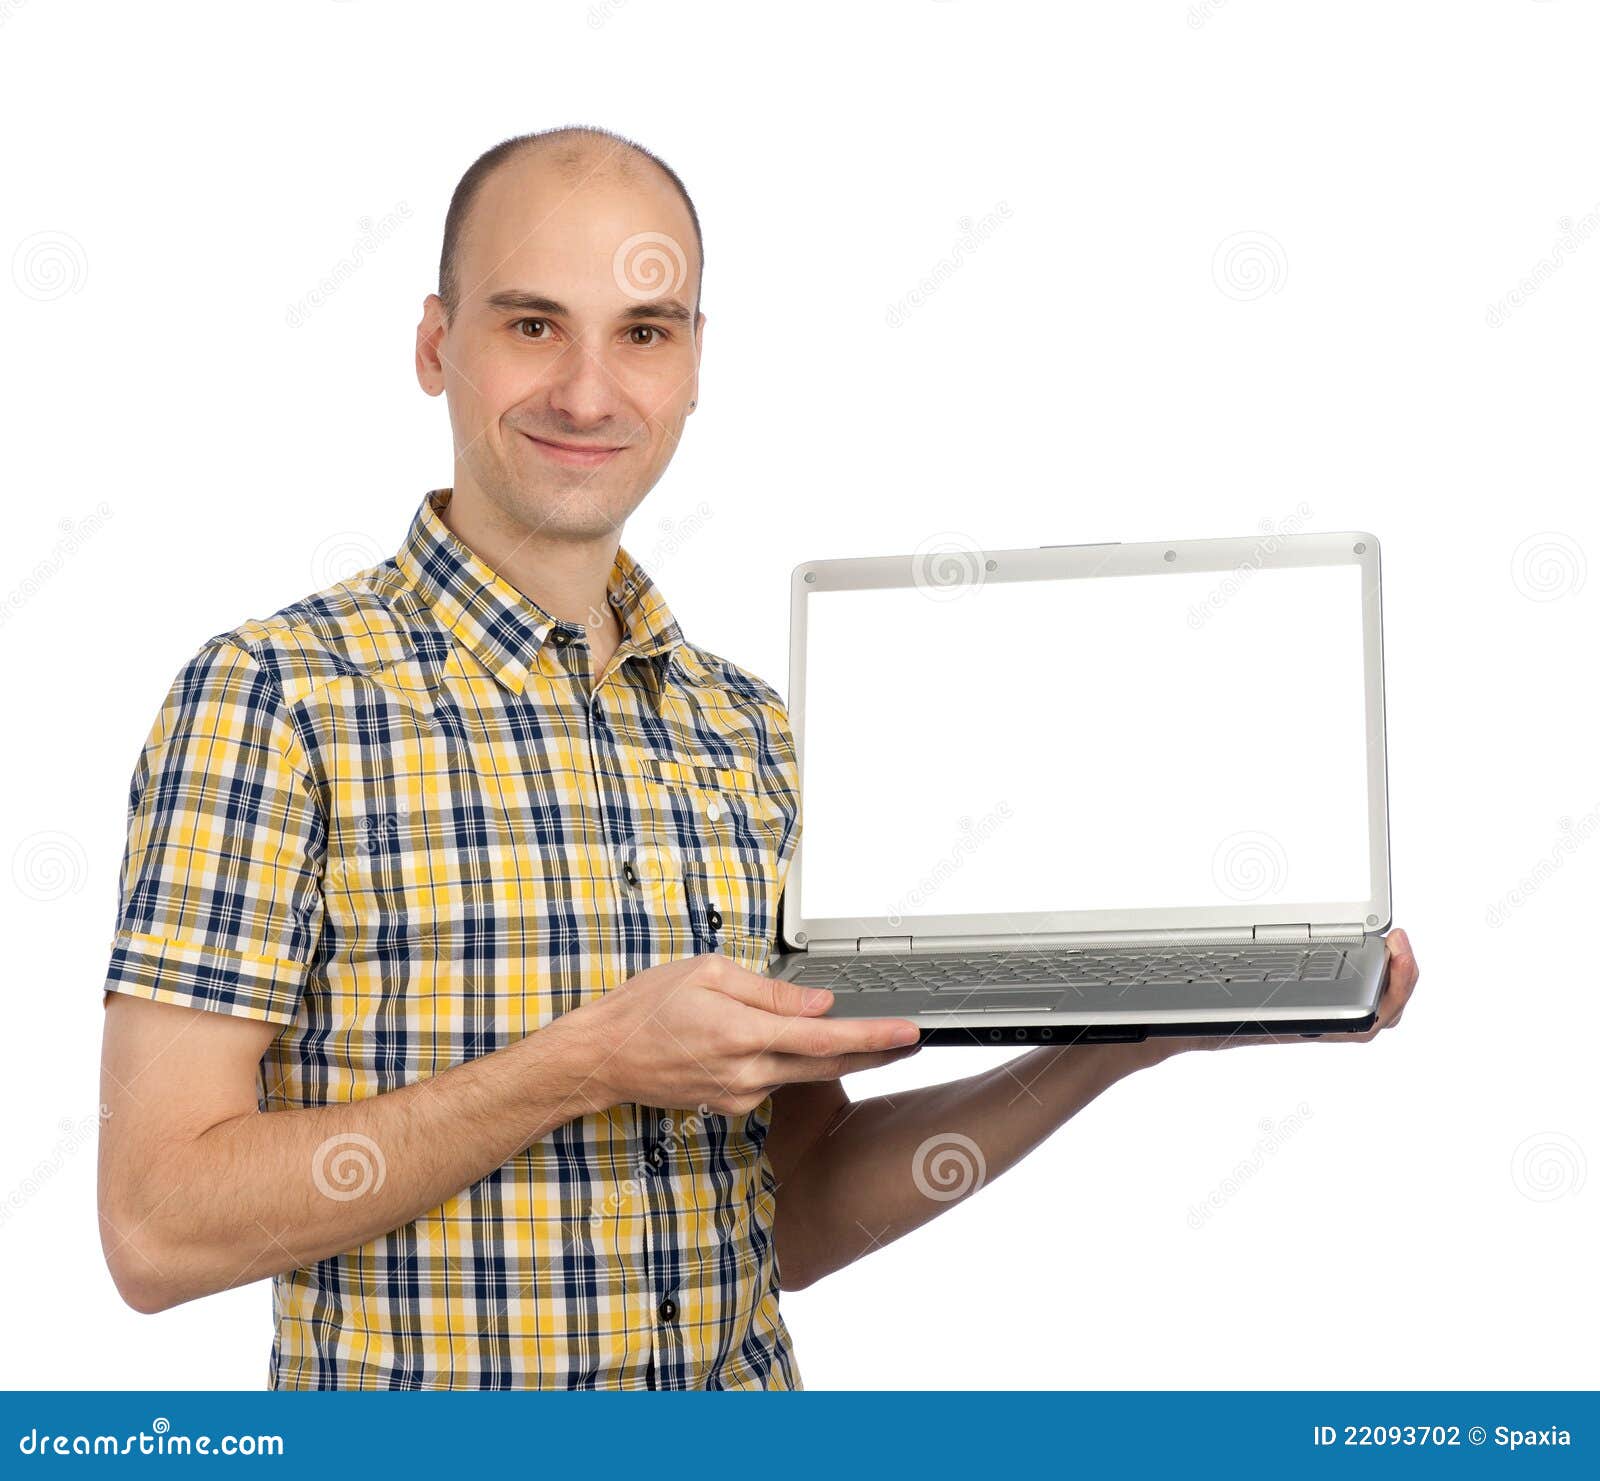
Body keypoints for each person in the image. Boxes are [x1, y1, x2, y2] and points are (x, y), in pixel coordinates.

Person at [95, 125, 1421, 1391]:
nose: (588, 390)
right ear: (438, 342)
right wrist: (581, 1063)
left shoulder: (744, 731)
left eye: (644, 332)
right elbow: (155, 1228)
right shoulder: (273, 699)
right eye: (533, 322)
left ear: (692, 365)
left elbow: (791, 1213)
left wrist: (1118, 1042)